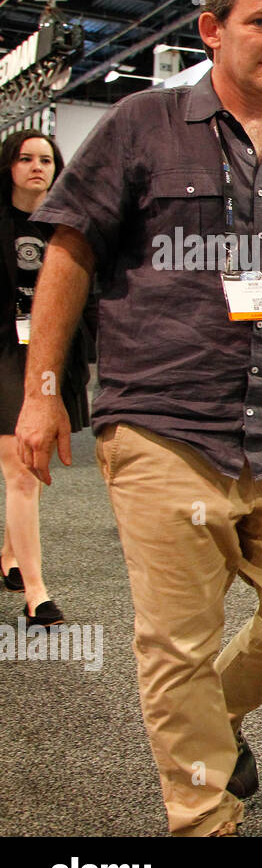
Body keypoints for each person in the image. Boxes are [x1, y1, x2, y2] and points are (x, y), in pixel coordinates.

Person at [16, 0, 262, 837]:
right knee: (175, 639)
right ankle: (203, 816)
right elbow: (69, 250)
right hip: (163, 422)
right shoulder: (142, 123)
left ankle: (210, 715)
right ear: (212, 29)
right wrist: (42, 389)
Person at [0, 130, 90, 627]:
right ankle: (36, 594)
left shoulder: (68, 227)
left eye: (46, 159)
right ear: (9, 167)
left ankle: (9, 556)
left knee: (32, 464)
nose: (37, 167)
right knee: (21, 470)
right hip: (4, 353)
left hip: (51, 351)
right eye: (26, 159)